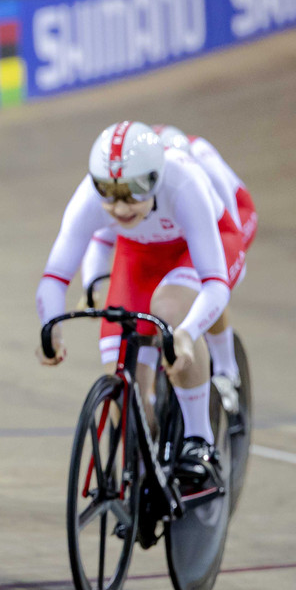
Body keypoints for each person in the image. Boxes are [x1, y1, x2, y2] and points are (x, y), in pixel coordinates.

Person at [36, 122, 248, 493]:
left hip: (197, 247)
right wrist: (50, 327)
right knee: (124, 380)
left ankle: (200, 442)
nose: (119, 207)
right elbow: (55, 276)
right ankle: (143, 471)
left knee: (170, 310)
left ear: (155, 178)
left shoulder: (184, 182)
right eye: (109, 194)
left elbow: (214, 287)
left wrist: (185, 333)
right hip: (141, 255)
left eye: (133, 194)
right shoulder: (88, 197)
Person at [78, 124, 255, 411]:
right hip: (171, 229)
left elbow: (227, 224)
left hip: (232, 211)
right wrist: (92, 284)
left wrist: (232, 266)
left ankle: (226, 368)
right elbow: (102, 237)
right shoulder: (137, 180)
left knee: (209, 277)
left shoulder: (199, 159)